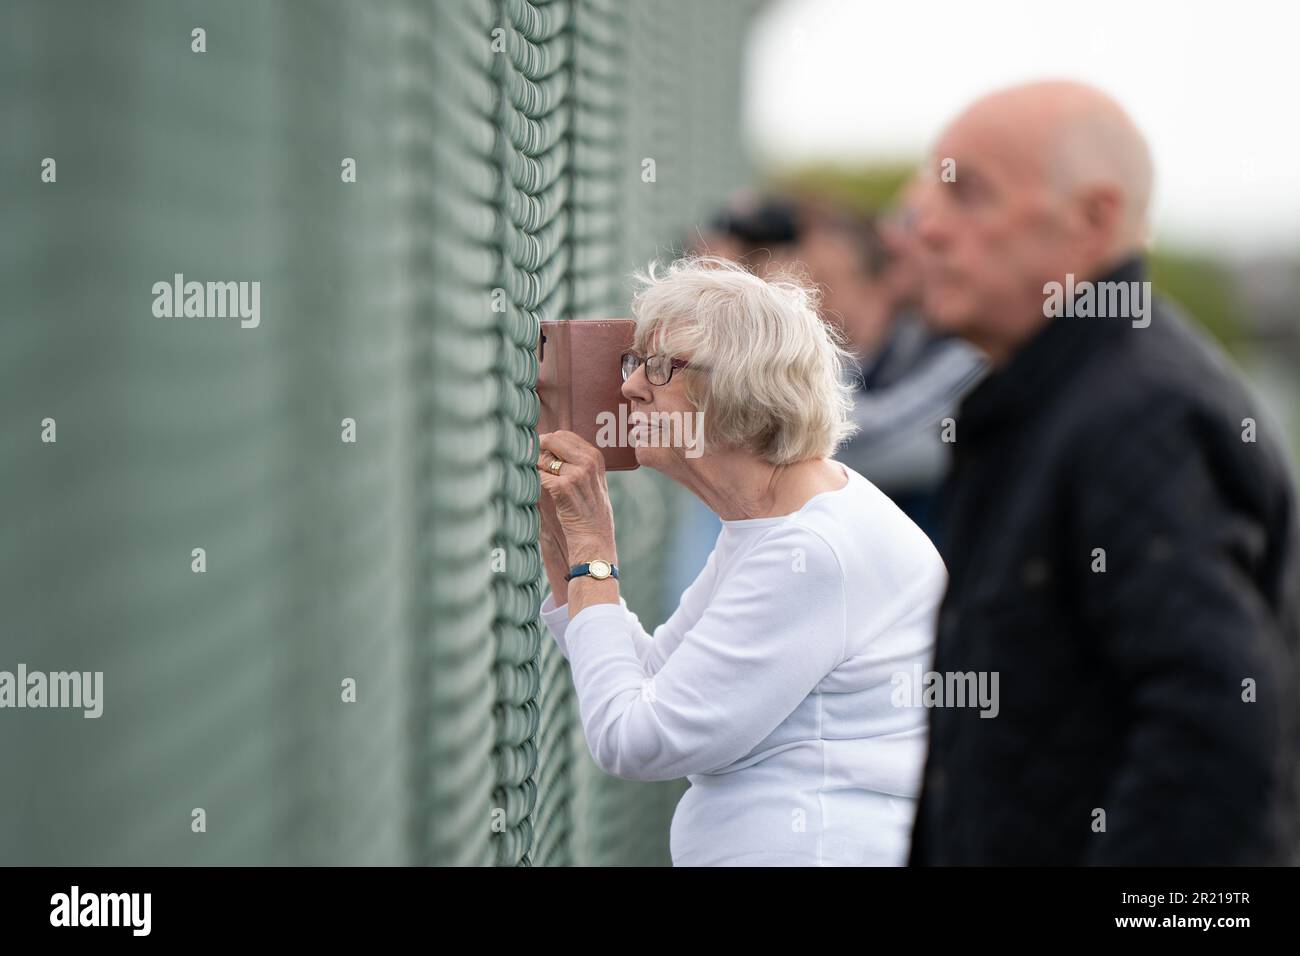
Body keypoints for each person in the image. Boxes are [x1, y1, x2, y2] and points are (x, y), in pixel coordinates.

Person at [906, 80, 1300, 865]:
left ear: (1092, 220)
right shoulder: (1059, 396)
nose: (927, 228)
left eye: (968, 194)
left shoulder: (1140, 415)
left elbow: (1215, 733)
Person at [535, 256, 947, 866]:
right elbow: (653, 678)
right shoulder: (774, 523)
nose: (628, 388)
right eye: (631, 362)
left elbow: (636, 739)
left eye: (659, 367)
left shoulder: (811, 553)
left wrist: (595, 556)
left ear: (740, 385)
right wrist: (571, 561)